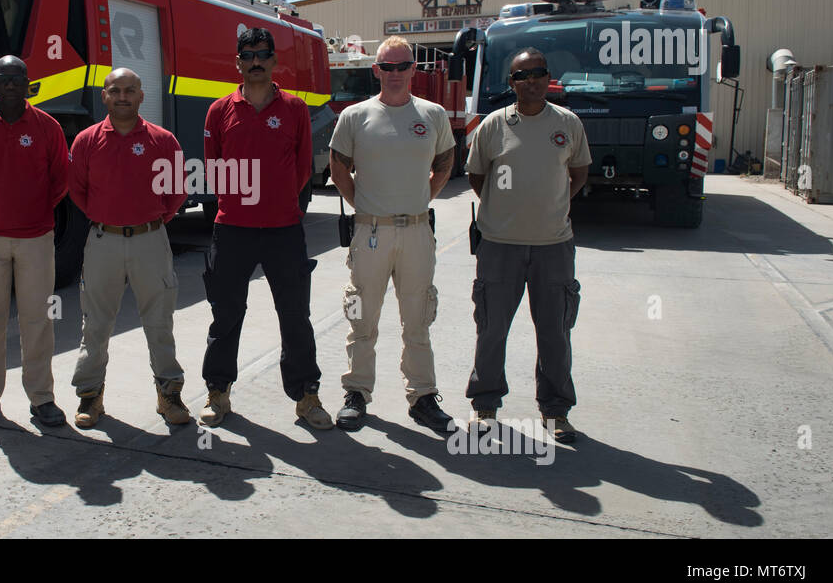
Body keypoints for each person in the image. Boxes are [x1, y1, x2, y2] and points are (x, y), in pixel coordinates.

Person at [199, 27, 332, 430]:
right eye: (248, 55)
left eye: (262, 54)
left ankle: (307, 396)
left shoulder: (293, 109)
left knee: (295, 316)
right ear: (237, 62)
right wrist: (239, 203)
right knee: (226, 315)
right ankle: (218, 392)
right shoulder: (219, 111)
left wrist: (278, 204)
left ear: (274, 61)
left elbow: (302, 166)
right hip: (233, 230)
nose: (255, 61)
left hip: (284, 230)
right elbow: (213, 166)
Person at [328, 35, 456, 432]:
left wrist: (423, 200)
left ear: (414, 69)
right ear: (376, 70)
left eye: (403, 66)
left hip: (417, 233)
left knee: (418, 318)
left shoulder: (432, 115)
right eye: (388, 67)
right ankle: (356, 392)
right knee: (361, 314)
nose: (396, 73)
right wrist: (365, 208)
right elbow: (338, 167)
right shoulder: (356, 116)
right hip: (370, 232)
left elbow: (447, 160)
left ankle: (422, 396)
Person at [464, 47, 591, 443]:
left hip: (553, 247)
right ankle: (486, 405)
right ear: (511, 83)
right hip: (499, 245)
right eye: (522, 75)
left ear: (548, 77)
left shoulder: (567, 124)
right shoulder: (493, 125)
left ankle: (556, 412)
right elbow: (478, 176)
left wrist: (549, 209)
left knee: (555, 332)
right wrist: (505, 213)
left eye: (538, 73)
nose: (531, 81)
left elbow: (578, 174)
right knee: (491, 329)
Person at [67, 68, 191, 428]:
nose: (122, 96)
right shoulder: (87, 141)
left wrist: (153, 222)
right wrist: (104, 217)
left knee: (159, 322)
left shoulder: (163, 140)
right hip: (103, 241)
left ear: (141, 96)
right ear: (104, 96)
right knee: (96, 324)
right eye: (115, 90)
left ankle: (169, 396)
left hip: (150, 240)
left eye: (130, 90)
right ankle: (91, 397)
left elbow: (176, 189)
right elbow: (77, 189)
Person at [0, 55, 69, 429]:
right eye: (3, 78)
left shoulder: (47, 127)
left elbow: (59, 180)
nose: (10, 84)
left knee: (39, 321)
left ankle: (42, 399)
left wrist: (31, 212)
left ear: (27, 83)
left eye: (17, 78)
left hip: (35, 238)